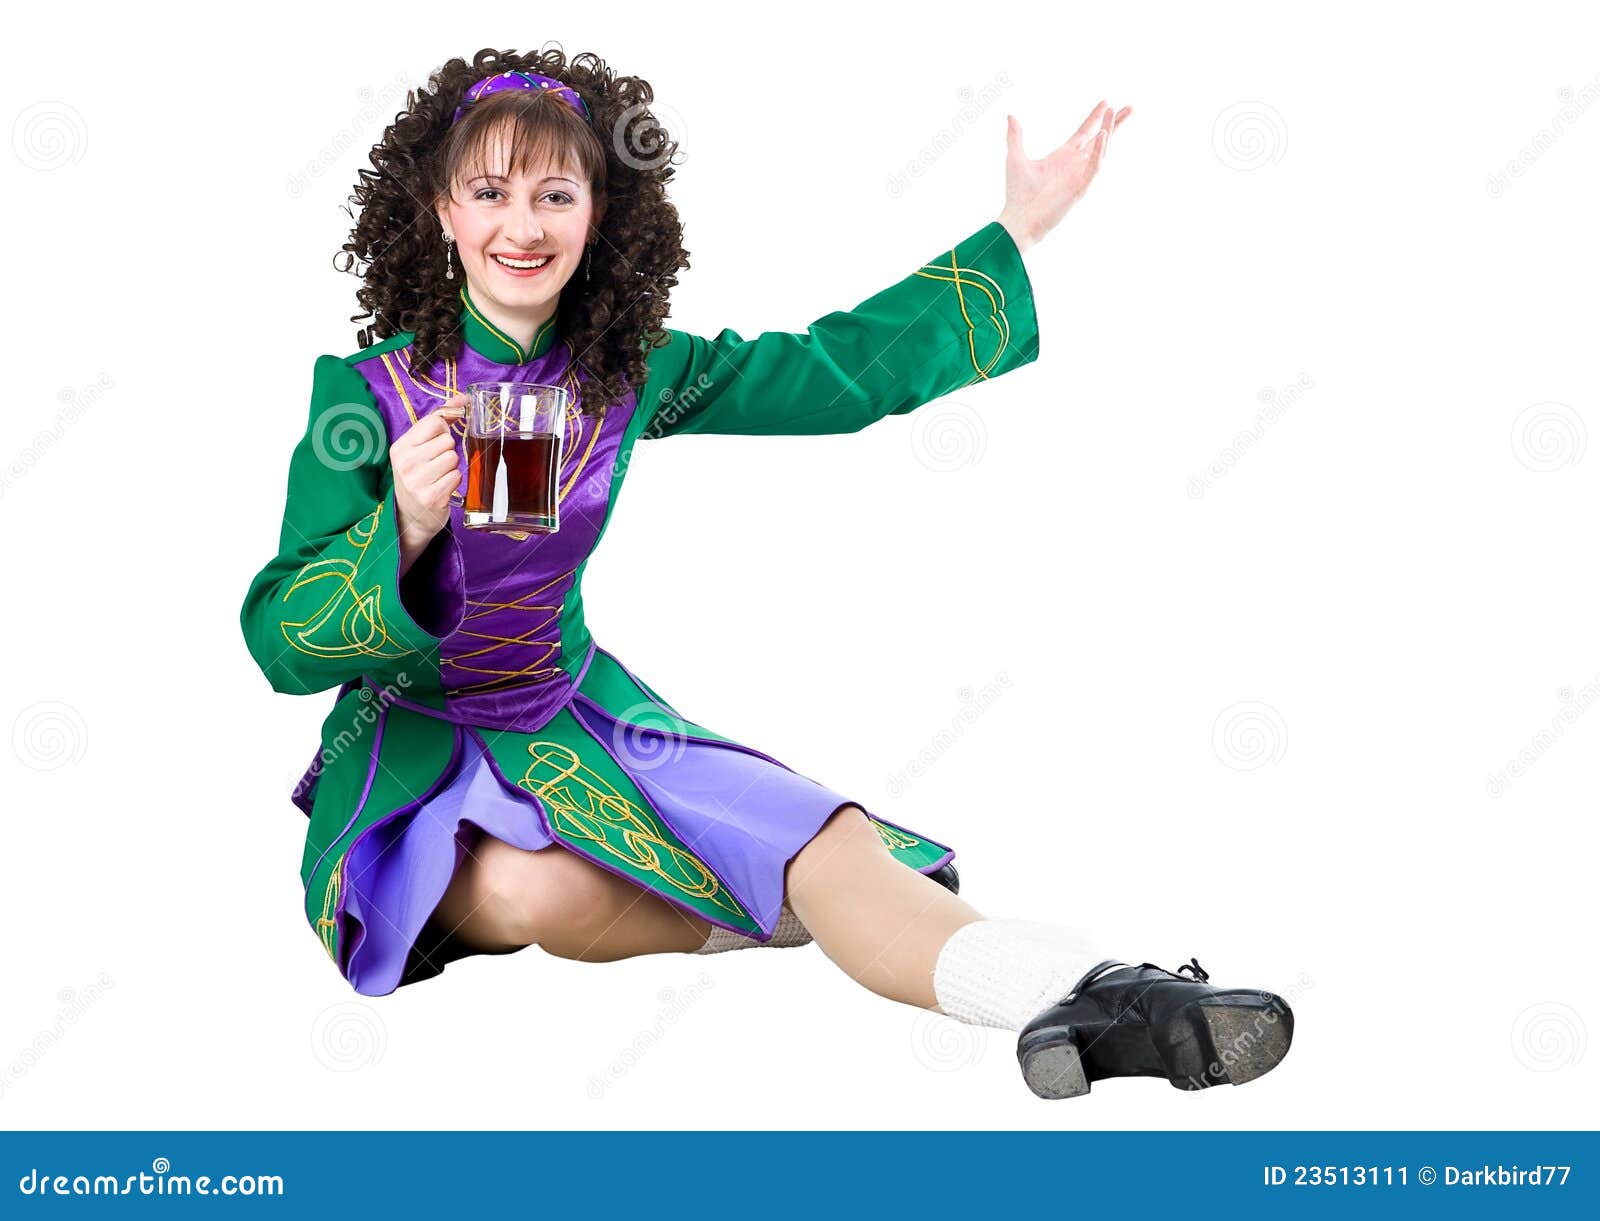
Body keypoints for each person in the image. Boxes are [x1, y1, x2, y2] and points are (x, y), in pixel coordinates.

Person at [240, 47, 1294, 1099]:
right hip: (419, 750)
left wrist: (1016, 231)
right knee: (535, 892)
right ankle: (820, 912)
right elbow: (279, 639)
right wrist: (407, 530)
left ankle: (1102, 995)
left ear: (598, 214)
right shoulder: (361, 396)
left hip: (578, 713)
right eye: (489, 193)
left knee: (825, 834)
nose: (523, 226)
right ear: (439, 210)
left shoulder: (630, 374)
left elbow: (830, 375)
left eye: (555, 193)